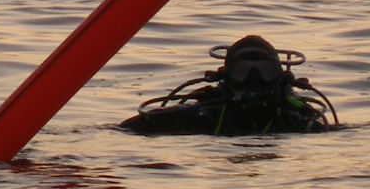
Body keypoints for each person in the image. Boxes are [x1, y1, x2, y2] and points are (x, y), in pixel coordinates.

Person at [120, 35, 339, 135]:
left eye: (265, 72)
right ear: (226, 77)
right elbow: (132, 129)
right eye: (242, 71)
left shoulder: (298, 120)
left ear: (280, 78)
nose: (254, 80)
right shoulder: (203, 115)